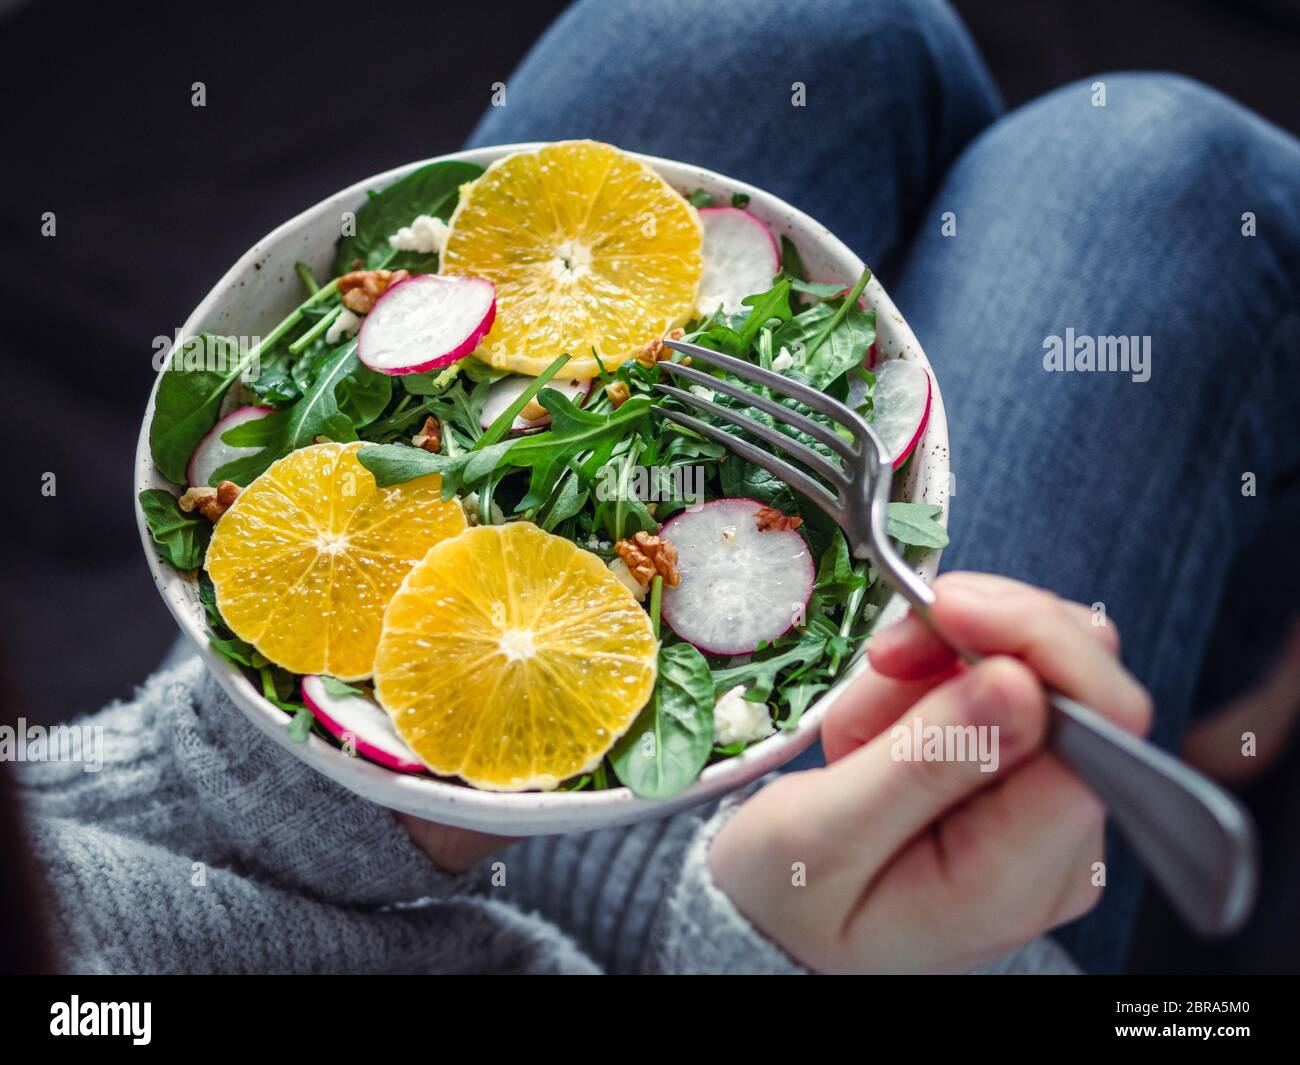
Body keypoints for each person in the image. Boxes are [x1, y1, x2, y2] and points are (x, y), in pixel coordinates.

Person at [9, 0, 1299, 975]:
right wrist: (763, 942)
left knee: (783, 20)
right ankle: (1218, 675)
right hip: (728, 928)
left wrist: (357, 777)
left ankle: (1206, 652)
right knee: (1164, 169)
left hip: (333, 795)